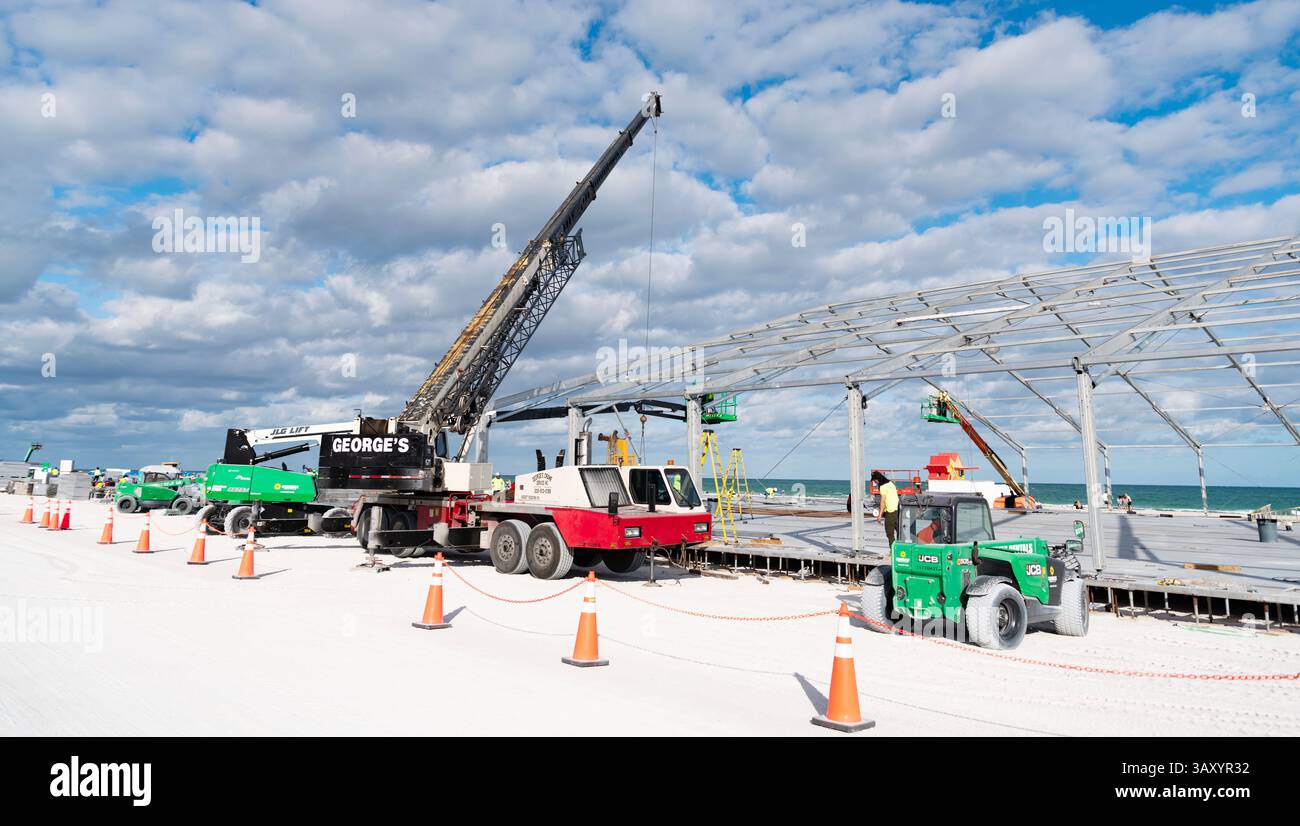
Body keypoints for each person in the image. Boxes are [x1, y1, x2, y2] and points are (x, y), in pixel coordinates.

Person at [872, 471, 900, 547]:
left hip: (891, 510)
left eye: (874, 480)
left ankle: (892, 550)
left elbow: (882, 502)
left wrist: (879, 515)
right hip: (898, 508)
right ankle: (900, 547)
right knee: (899, 530)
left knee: (889, 531)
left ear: (877, 479)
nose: (875, 482)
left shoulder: (883, 487)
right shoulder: (891, 483)